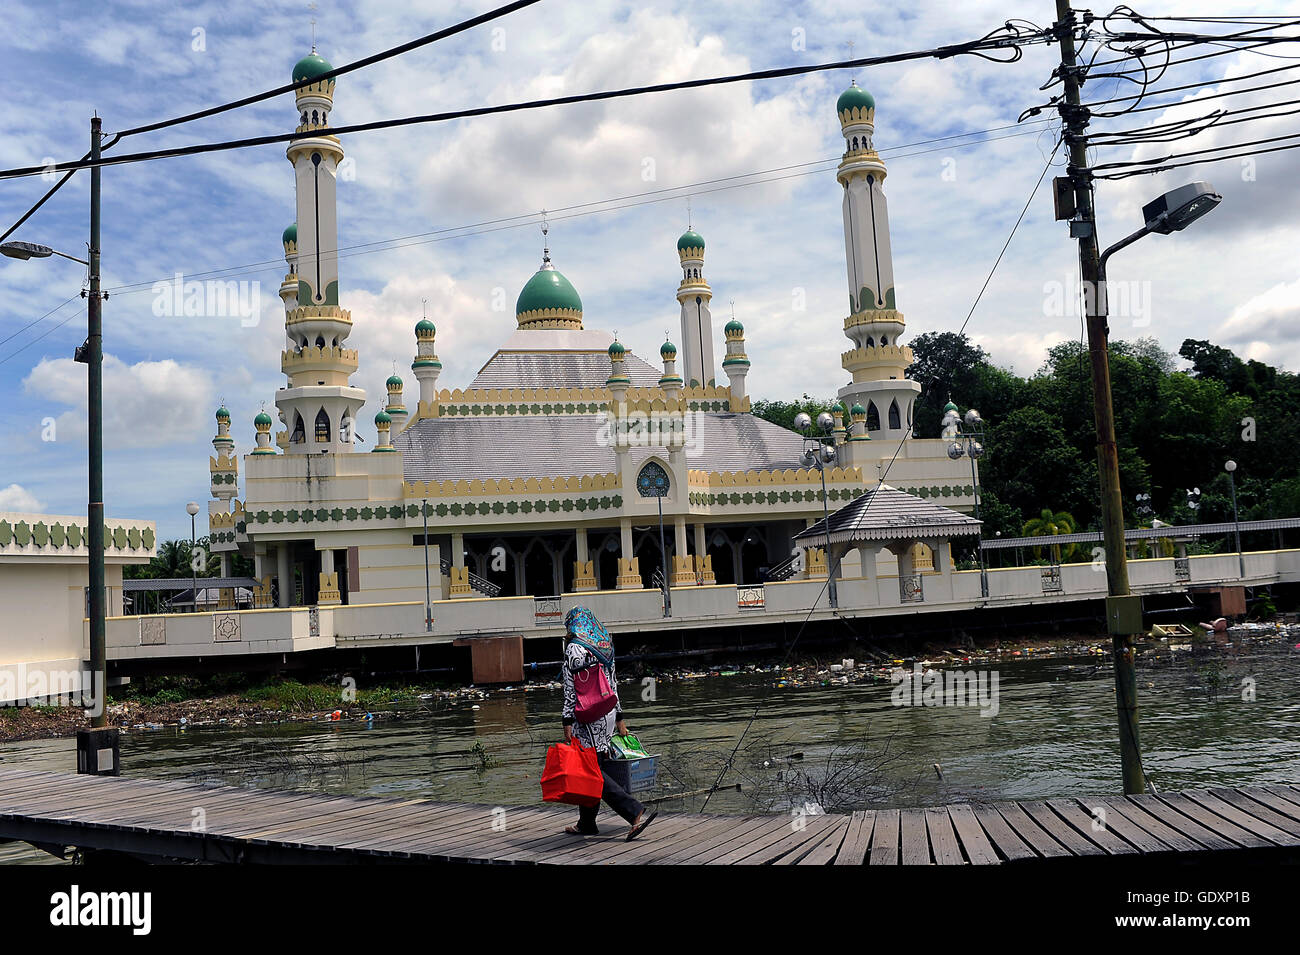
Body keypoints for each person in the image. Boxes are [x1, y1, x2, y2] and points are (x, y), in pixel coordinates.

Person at [560, 606, 656, 840]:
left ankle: (633, 810)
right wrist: (620, 718)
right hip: (607, 712)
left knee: (588, 770)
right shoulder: (604, 644)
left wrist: (566, 720)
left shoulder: (574, 648)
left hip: (588, 714)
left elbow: (572, 689)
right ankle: (587, 823)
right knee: (595, 766)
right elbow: (613, 685)